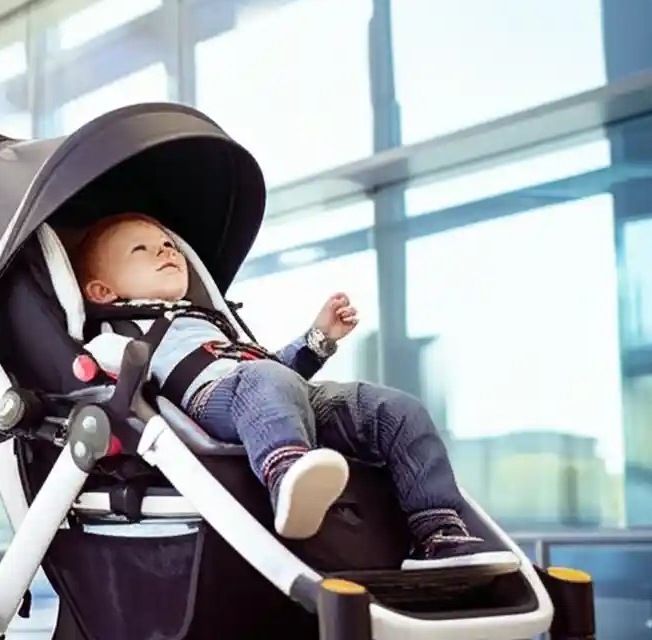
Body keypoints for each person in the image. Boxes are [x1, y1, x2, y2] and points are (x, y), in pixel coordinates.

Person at [73, 213, 519, 572]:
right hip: (215, 402)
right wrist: (102, 367)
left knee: (395, 410)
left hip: (278, 395)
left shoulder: (211, 322)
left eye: (168, 245)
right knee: (266, 380)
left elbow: (280, 373)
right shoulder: (121, 330)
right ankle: (288, 478)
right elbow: (96, 373)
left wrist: (318, 338)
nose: (165, 252)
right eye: (142, 249)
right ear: (102, 290)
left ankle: (439, 533)